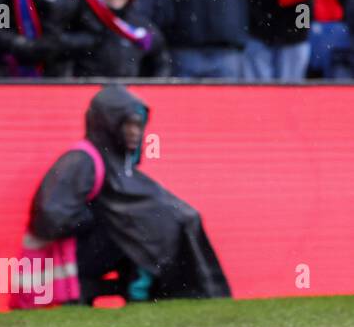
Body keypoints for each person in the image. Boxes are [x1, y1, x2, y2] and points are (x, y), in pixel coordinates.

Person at [27, 85, 231, 304]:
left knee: (165, 220)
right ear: (108, 123)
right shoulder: (82, 160)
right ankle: (139, 292)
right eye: (128, 124)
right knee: (142, 224)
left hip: (88, 255)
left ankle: (164, 293)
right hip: (64, 260)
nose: (136, 132)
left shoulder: (116, 164)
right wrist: (100, 217)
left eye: (139, 125)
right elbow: (49, 219)